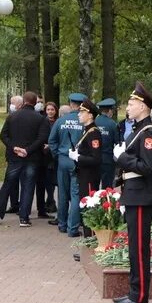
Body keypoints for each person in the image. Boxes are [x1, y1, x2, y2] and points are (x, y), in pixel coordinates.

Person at [112, 83, 152, 303]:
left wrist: (122, 157)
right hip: (133, 194)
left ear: (143, 106)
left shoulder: (149, 132)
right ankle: (135, 291)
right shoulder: (137, 130)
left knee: (139, 248)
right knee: (134, 246)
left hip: (141, 196)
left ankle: (140, 295)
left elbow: (148, 166)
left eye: (132, 103)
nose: (128, 107)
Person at [0, 91, 49, 227]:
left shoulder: (13, 116)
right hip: (32, 157)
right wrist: (28, 150)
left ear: (23, 102)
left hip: (14, 156)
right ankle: (24, 218)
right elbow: (42, 138)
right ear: (35, 103)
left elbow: (3, 135)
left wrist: (14, 147)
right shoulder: (41, 119)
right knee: (28, 186)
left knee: (7, 185)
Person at [48, 92, 87, 234]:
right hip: (78, 161)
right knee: (76, 194)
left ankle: (62, 224)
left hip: (63, 159)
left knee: (62, 194)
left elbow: (52, 141)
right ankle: (73, 228)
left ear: (71, 104)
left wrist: (57, 155)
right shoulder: (84, 121)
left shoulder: (61, 120)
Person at [69, 99, 103, 236]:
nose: (79, 114)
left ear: (90, 115)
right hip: (84, 174)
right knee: (85, 209)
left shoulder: (93, 133)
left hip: (89, 176)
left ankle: (90, 241)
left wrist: (78, 158)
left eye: (82, 112)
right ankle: (88, 240)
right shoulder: (87, 131)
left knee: (89, 209)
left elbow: (96, 159)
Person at [38, 100, 59, 217]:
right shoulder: (43, 122)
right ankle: (49, 201)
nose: (50, 112)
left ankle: (50, 200)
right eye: (48, 110)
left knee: (52, 180)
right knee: (45, 179)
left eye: (52, 109)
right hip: (44, 155)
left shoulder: (58, 122)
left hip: (54, 155)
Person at [94, 98, 119, 190]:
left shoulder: (94, 122)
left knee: (94, 185)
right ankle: (105, 203)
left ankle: (92, 203)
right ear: (110, 111)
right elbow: (118, 142)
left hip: (94, 158)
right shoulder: (113, 124)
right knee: (107, 187)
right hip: (107, 159)